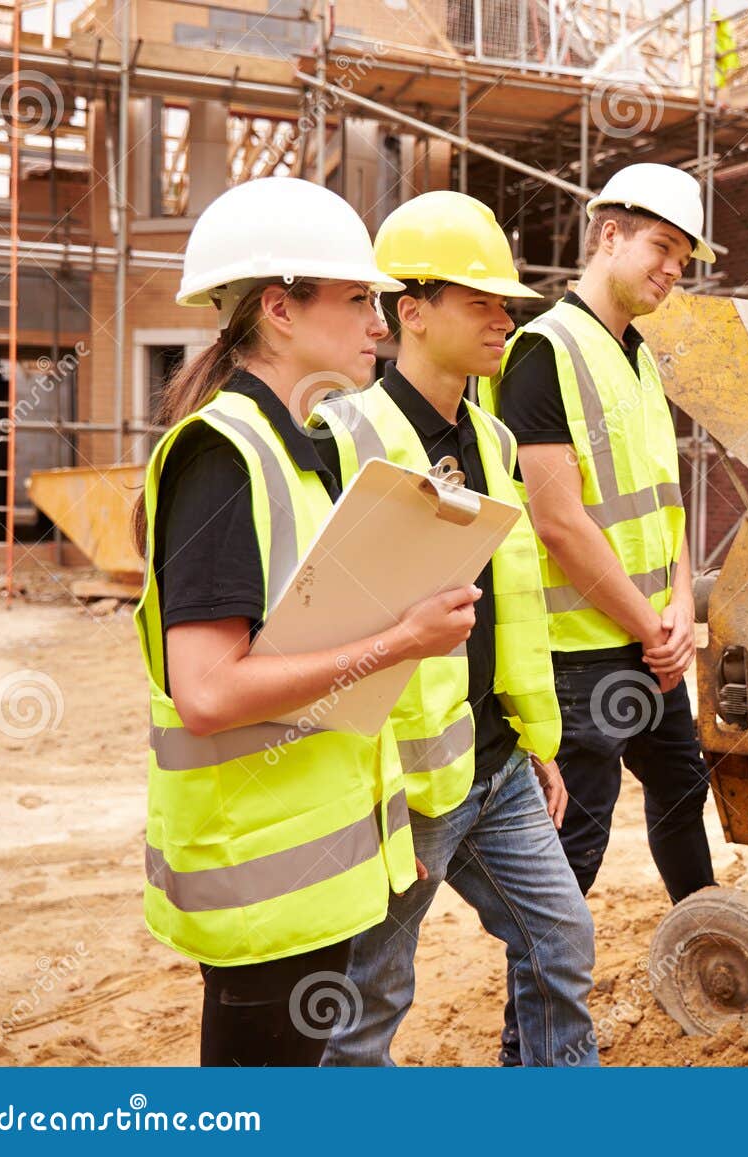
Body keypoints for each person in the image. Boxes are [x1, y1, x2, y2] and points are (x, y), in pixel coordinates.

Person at [135, 176, 478, 1066]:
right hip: (258, 882)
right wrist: (399, 642)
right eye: (359, 297)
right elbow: (207, 692)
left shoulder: (314, 447)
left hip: (311, 878)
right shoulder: (221, 456)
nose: (379, 321)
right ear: (281, 309)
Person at [316, 191, 597, 1067]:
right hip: (402, 774)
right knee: (373, 994)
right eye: (481, 301)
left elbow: (511, 601)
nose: (502, 319)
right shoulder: (343, 436)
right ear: (413, 310)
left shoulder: (495, 437)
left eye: (507, 304)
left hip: (496, 758)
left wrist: (532, 733)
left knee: (562, 945)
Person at [482, 163, 715, 904]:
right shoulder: (541, 351)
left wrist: (680, 610)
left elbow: (664, 504)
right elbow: (558, 521)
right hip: (579, 655)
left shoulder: (640, 356)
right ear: (609, 235)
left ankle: (710, 951)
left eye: (685, 257)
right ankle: (537, 1024)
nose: (675, 268)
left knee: (682, 788)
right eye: (663, 247)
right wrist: (653, 626)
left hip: (649, 640)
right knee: (575, 843)